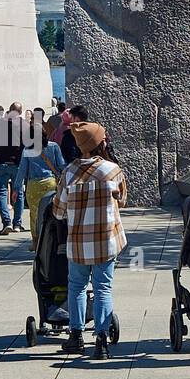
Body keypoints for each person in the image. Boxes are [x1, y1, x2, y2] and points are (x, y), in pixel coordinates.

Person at [54, 120, 128, 360]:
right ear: (99, 143)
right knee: (103, 288)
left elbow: (59, 211)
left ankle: (75, 335)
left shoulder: (68, 173)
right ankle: (101, 340)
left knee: (76, 287)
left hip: (77, 242)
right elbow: (123, 200)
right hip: (105, 241)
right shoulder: (112, 170)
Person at [19, 115, 66, 248]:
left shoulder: (27, 150)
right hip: (50, 183)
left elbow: (22, 171)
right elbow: (62, 166)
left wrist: (16, 188)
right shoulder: (54, 147)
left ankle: (36, 242)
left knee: (34, 214)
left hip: (33, 186)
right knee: (52, 212)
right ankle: (52, 238)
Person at [0, 103, 26, 234]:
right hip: (18, 163)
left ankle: (6, 222)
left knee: (2, 192)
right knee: (19, 192)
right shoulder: (24, 125)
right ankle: (17, 223)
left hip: (2, 162)